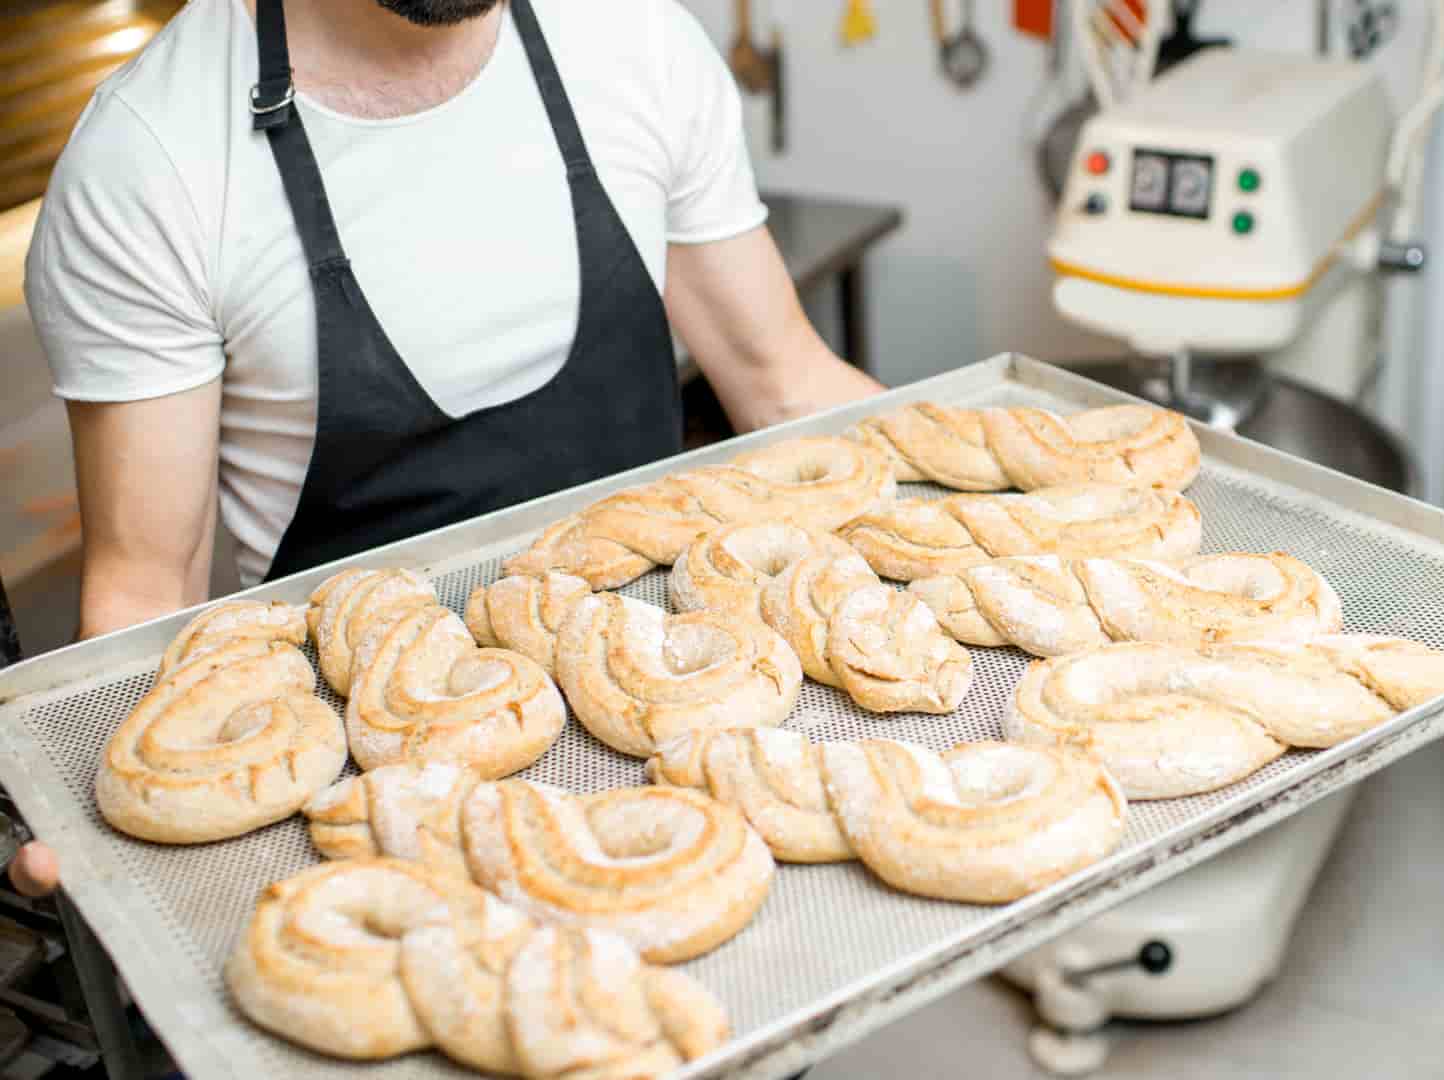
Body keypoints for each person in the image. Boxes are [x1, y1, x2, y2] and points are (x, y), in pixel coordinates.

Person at [14, 0, 886, 896]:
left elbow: (784, 380)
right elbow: (147, 586)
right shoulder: (152, 156)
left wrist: (1020, 502)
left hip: (685, 723)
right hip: (380, 815)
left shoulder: (634, 36)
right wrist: (98, 794)